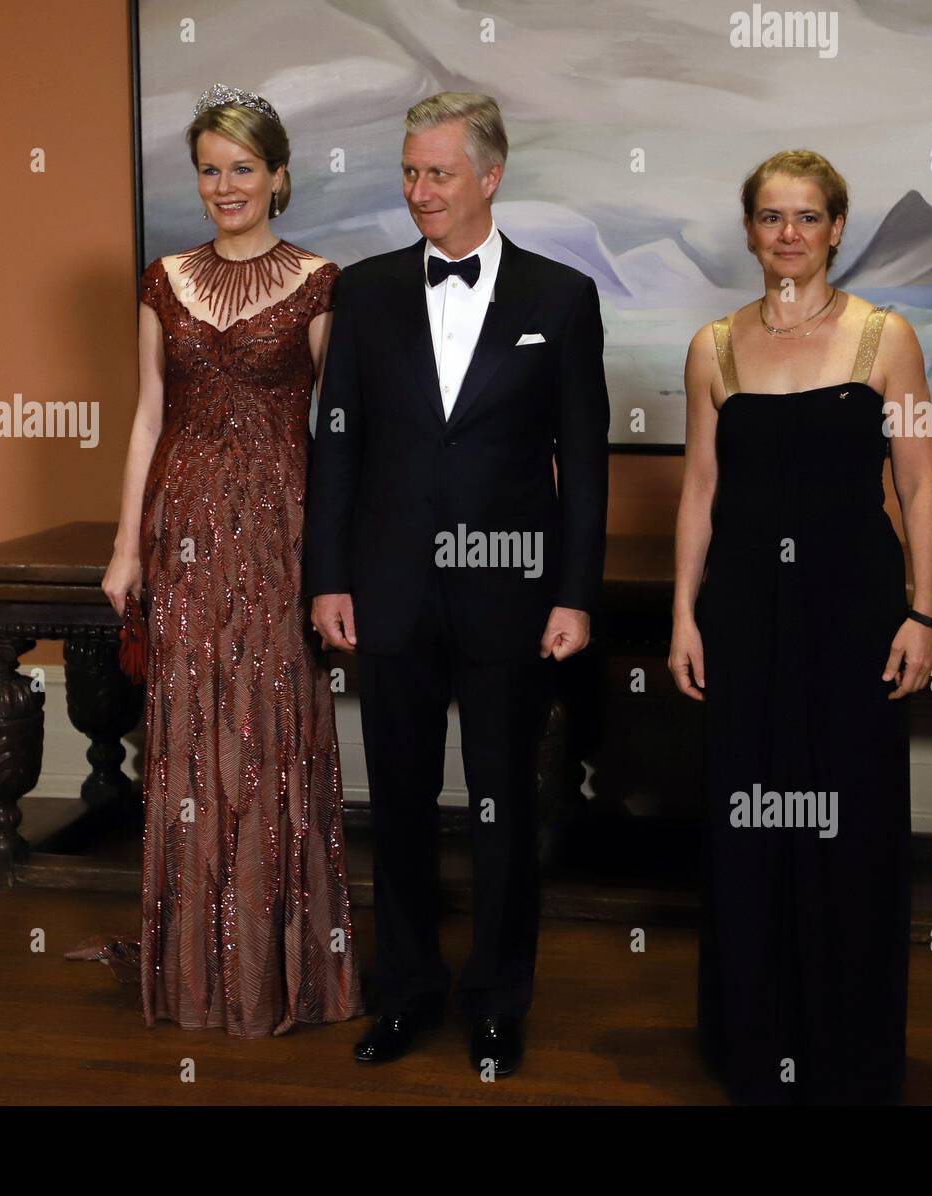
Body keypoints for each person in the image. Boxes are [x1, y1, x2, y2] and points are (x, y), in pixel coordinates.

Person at [305, 92, 610, 1076]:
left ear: (490, 175)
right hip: (388, 589)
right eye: (408, 170)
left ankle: (494, 1000)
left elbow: (587, 463)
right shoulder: (364, 291)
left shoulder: (561, 298)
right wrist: (328, 577)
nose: (419, 190)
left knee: (501, 807)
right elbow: (335, 450)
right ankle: (404, 991)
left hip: (510, 595)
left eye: (437, 172)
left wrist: (574, 594)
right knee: (394, 800)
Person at [669, 149, 932, 1104]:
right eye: (772, 217)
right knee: (748, 821)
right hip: (742, 614)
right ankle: (754, 1040)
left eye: (808, 217)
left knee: (851, 822)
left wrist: (925, 613)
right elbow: (700, 491)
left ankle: (850, 1049)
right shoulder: (714, 346)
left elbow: (917, 483)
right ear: (749, 230)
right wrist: (682, 621)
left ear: (836, 229)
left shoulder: (885, 338)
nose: (789, 233)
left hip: (855, 613)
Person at [91, 82, 365, 1037]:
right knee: (191, 734)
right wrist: (126, 545)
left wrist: (336, 553)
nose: (224, 186)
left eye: (242, 168)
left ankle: (281, 969)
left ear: (279, 174)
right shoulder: (163, 278)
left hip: (281, 532)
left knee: (275, 733)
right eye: (209, 170)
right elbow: (147, 415)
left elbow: (339, 429)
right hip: (185, 531)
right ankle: (195, 973)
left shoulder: (324, 281)